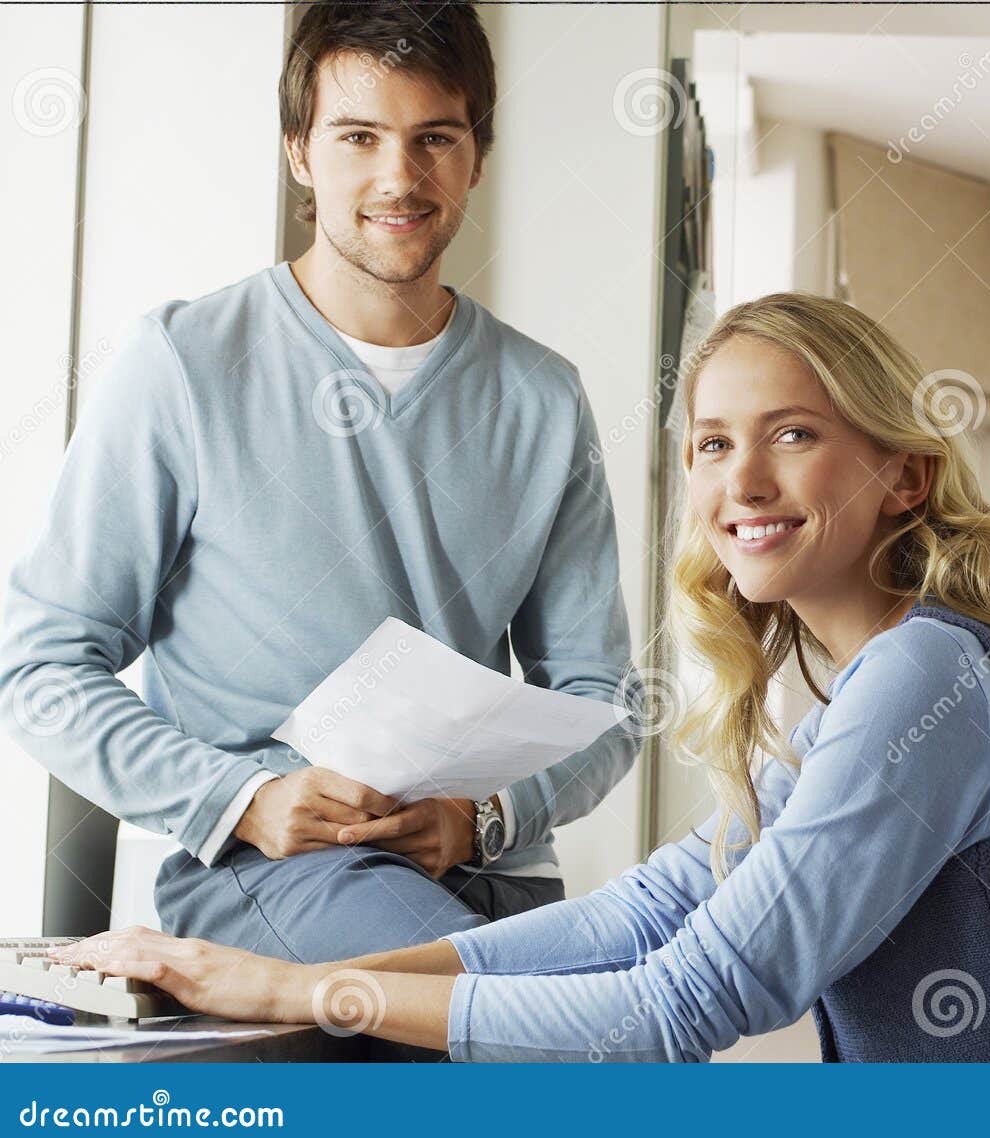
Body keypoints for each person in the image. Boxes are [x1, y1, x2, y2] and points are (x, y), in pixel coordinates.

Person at [50, 293, 990, 1063]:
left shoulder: (921, 679)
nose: (742, 478)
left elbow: (682, 1002)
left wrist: (291, 990)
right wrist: (306, 976)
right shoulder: (874, 683)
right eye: (710, 442)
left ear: (903, 474)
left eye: (793, 434)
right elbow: (659, 907)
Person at [0, 1, 639, 961]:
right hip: (282, 865)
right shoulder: (183, 362)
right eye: (358, 136)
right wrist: (243, 798)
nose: (399, 177)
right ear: (300, 151)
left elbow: (603, 694)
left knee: (653, 1023)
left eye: (435, 138)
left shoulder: (544, 397)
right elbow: (39, 666)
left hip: (496, 864)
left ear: (477, 155)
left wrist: (489, 817)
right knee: (503, 1022)